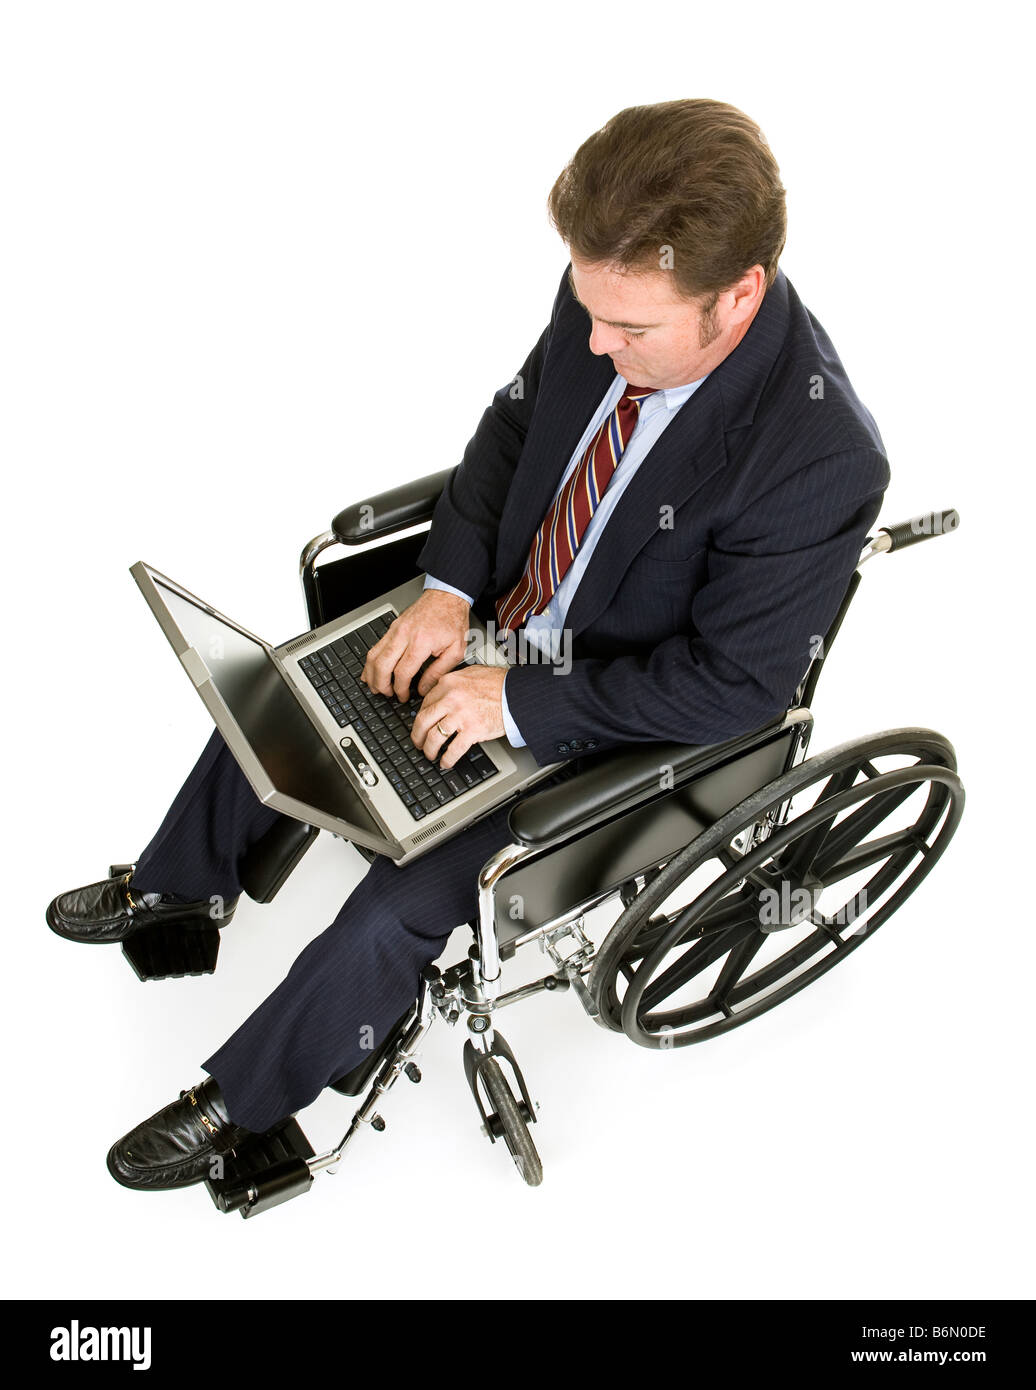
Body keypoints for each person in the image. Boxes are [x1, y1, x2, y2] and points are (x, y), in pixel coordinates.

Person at [46, 98, 890, 1192]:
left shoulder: (816, 456)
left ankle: (243, 1104)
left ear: (738, 296)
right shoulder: (612, 291)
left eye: (629, 331)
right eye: (589, 311)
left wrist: (521, 704)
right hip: (496, 619)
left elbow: (737, 688)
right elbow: (512, 429)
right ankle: (180, 889)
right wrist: (446, 591)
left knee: (393, 911)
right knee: (299, 694)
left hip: (604, 716)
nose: (595, 342)